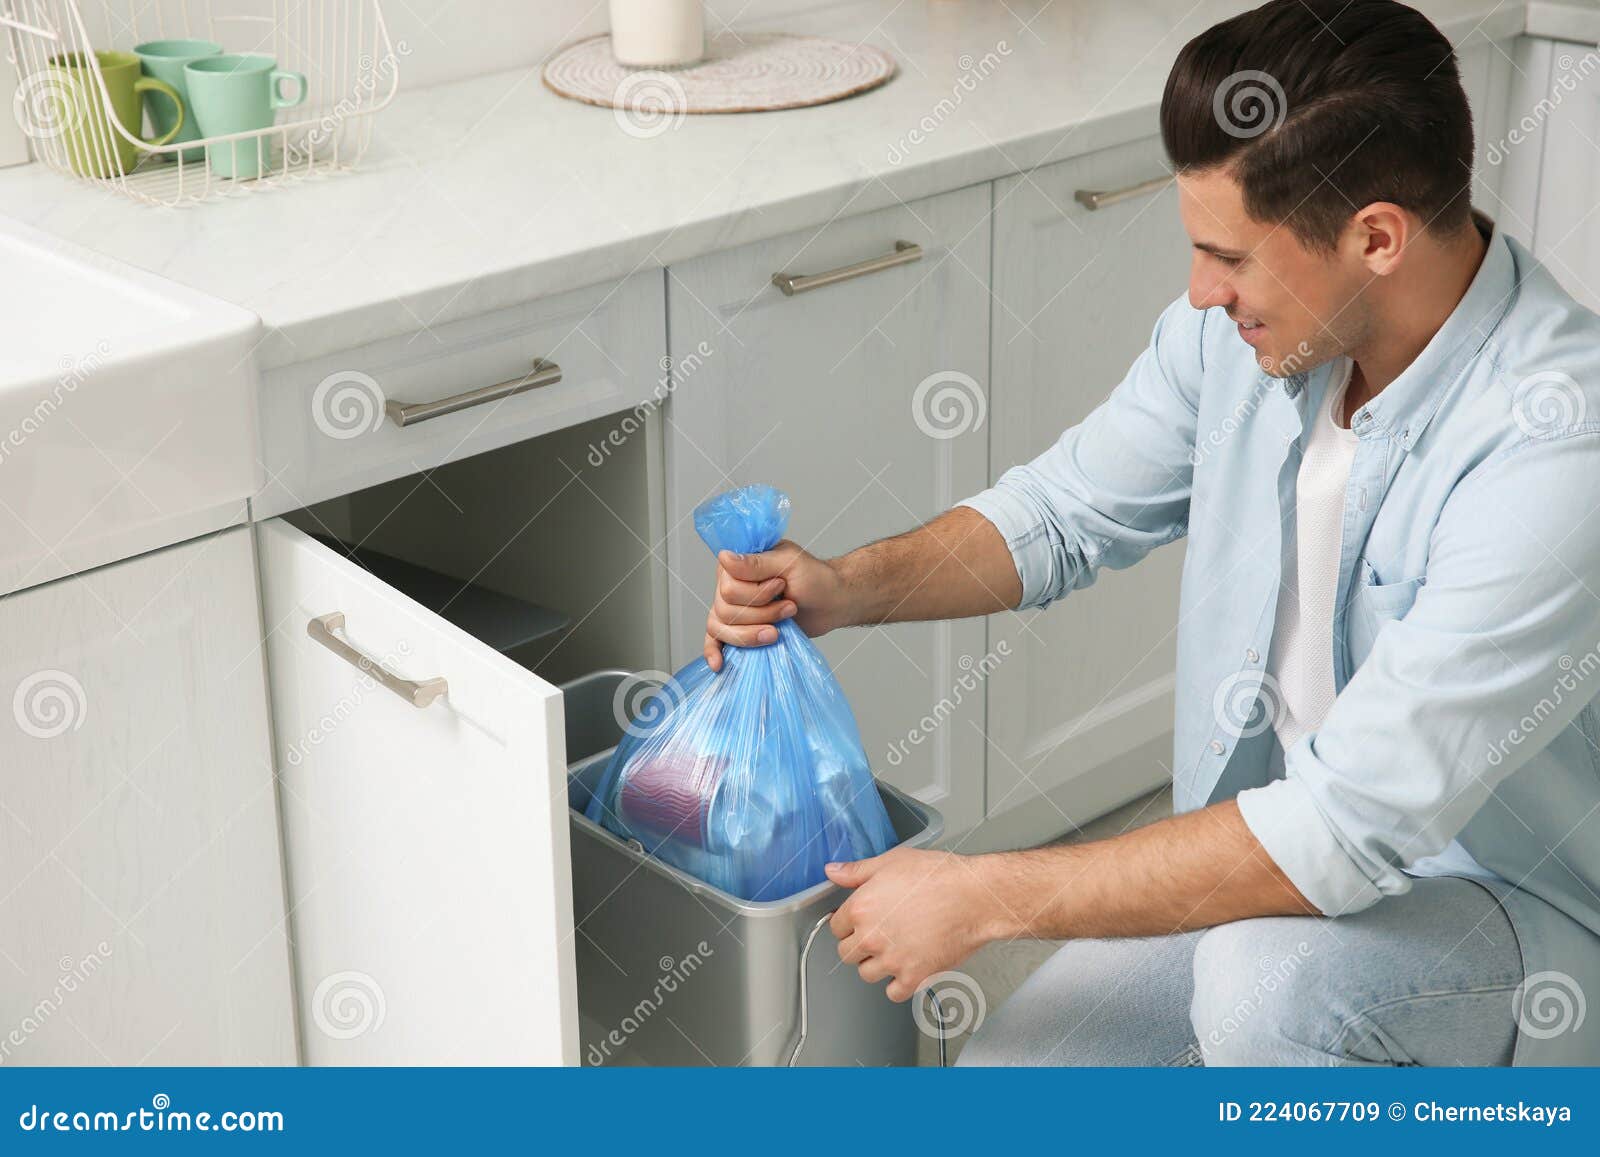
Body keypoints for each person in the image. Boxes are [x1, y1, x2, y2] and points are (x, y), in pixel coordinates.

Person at [700, 0, 1600, 1066]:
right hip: (1268, 871)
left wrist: (987, 895)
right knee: (1007, 1080)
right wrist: (850, 584)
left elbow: (1340, 830)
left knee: (1267, 997)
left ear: (1375, 238)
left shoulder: (1554, 446)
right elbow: (1063, 511)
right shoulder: (1253, 339)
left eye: (1229, 258)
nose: (1198, 292)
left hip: (1515, 916)